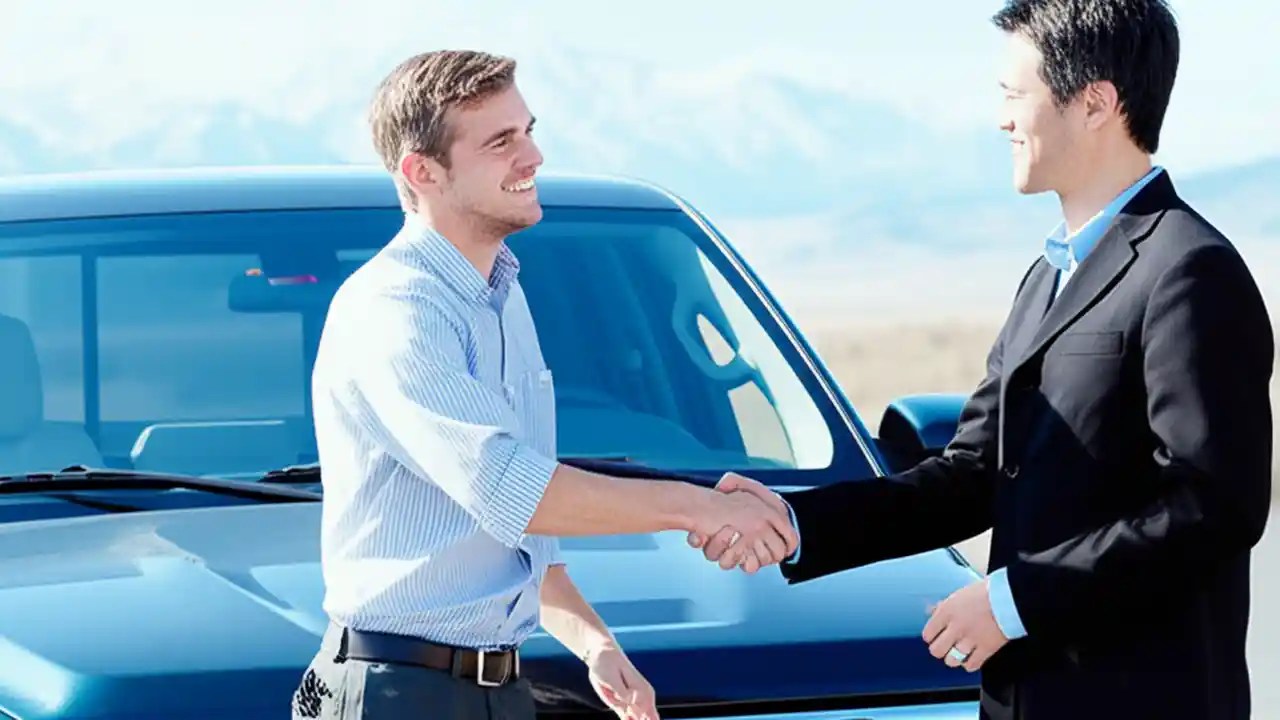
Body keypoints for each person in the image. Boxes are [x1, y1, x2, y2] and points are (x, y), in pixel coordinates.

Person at [691, 1, 1274, 718]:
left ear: (1095, 103)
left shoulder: (1191, 270)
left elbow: (1213, 506)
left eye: (1013, 95)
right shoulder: (1048, 276)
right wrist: (794, 519)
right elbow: (971, 474)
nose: (1002, 119)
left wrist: (1013, 599)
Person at [291, 50, 797, 720]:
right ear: (423, 171)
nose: (532, 157)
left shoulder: (501, 292)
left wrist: (596, 646)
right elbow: (512, 493)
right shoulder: (397, 310)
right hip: (396, 694)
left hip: (493, 691)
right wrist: (700, 507)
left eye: (527, 131)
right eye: (501, 142)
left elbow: (518, 539)